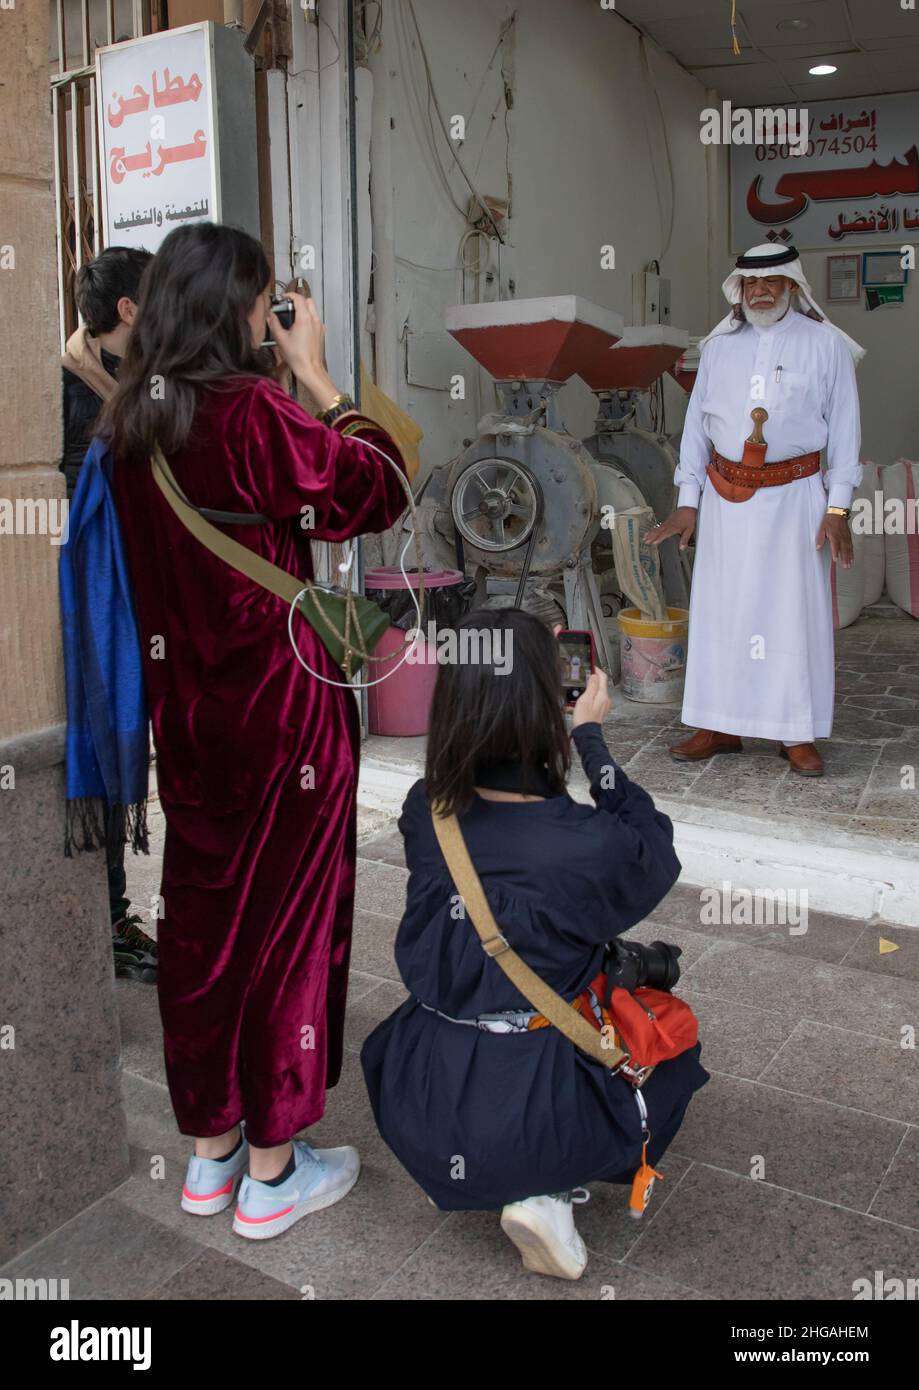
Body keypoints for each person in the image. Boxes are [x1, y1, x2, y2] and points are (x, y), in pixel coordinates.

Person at [100, 223, 409, 1239]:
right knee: (286, 930)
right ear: (239, 308)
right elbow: (380, 489)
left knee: (201, 925)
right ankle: (273, 1171)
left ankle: (210, 1153)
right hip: (284, 716)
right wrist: (318, 375)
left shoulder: (128, 426)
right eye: (265, 302)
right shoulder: (255, 416)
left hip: (185, 719)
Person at [361, 609, 708, 1280]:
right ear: (545, 707)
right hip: (533, 1113)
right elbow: (652, 848)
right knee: (671, 1041)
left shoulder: (422, 809)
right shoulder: (587, 847)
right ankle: (546, 1188)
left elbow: (507, 820)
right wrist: (590, 738)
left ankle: (524, 1172)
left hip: (418, 1095)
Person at [646, 243, 864, 778]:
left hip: (795, 498)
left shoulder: (825, 346)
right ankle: (720, 725)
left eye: (771, 282)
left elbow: (845, 431)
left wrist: (837, 509)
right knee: (725, 612)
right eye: (750, 284)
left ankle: (796, 731)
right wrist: (687, 504)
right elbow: (696, 430)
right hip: (725, 501)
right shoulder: (718, 349)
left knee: (791, 615)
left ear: (792, 286)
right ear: (738, 291)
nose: (760, 292)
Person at [60, 246, 158, 980]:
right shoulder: (66, 394)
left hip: (137, 604)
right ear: (127, 310)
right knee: (99, 743)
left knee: (122, 748)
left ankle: (116, 917)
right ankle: (109, 921)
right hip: (94, 614)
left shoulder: (127, 381)